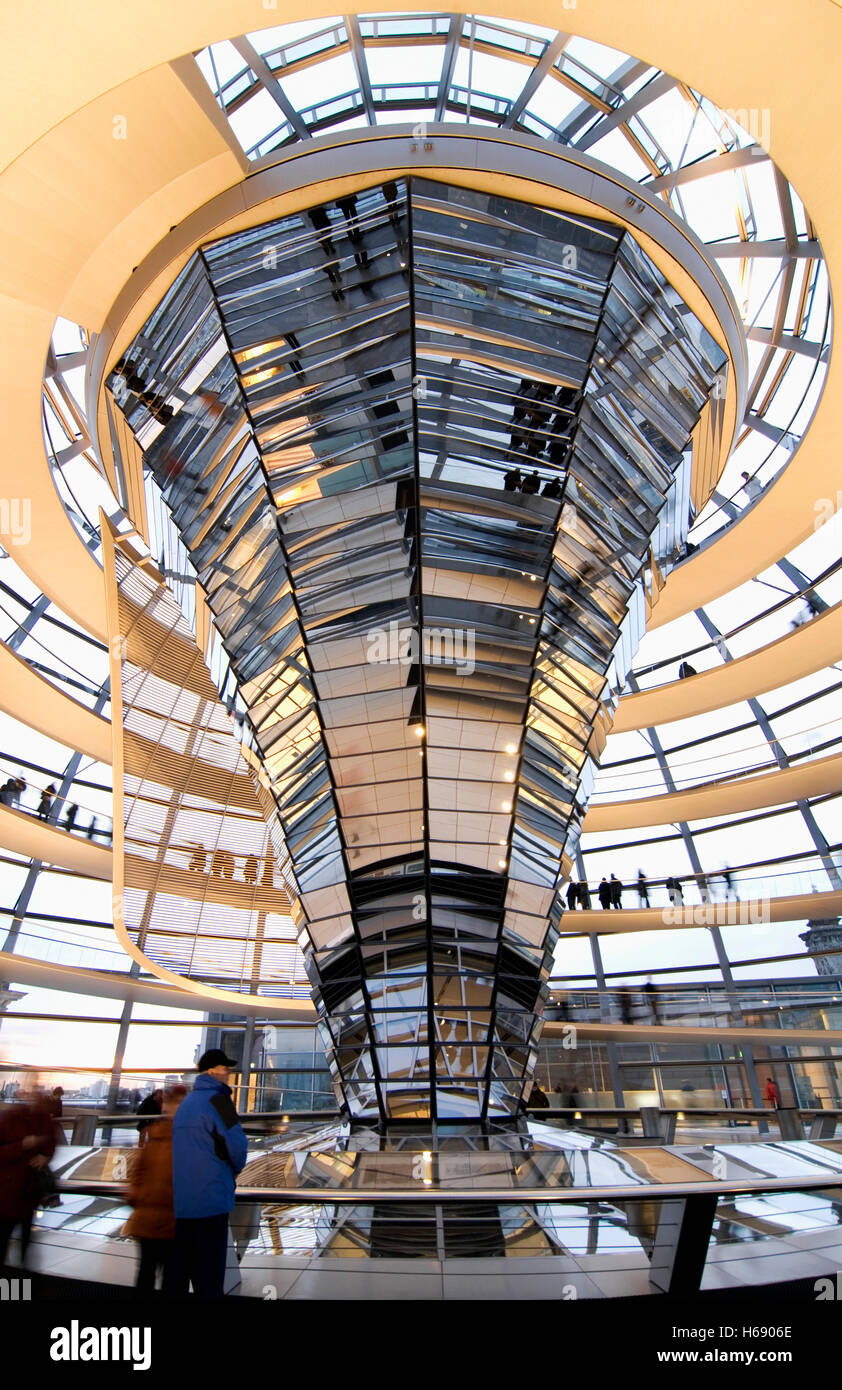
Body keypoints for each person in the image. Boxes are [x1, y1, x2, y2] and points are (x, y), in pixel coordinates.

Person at [171, 1049, 247, 1298]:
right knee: (210, 1279)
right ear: (214, 1071)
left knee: (183, 1273)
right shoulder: (219, 1101)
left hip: (183, 1205)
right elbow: (237, 1146)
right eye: (226, 1069)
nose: (229, 1074)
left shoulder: (187, 1104)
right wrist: (233, 1170)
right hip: (211, 1201)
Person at [124, 1085, 187, 1295]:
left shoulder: (164, 1137)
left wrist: (140, 1197)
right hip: (163, 1221)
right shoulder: (165, 1136)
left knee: (151, 1274)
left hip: (158, 1220)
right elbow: (138, 1172)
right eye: (170, 1103)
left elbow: (139, 1173)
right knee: (163, 1276)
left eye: (176, 1103)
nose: (171, 1108)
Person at [0, 1087, 58, 1269]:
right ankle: (17, 1286)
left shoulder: (41, 1120)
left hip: (25, 1191)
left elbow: (51, 1142)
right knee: (13, 1239)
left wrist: (46, 1155)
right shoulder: (10, 1119)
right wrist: (22, 1146)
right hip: (12, 1193)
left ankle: (17, 1286)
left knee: (19, 1240)